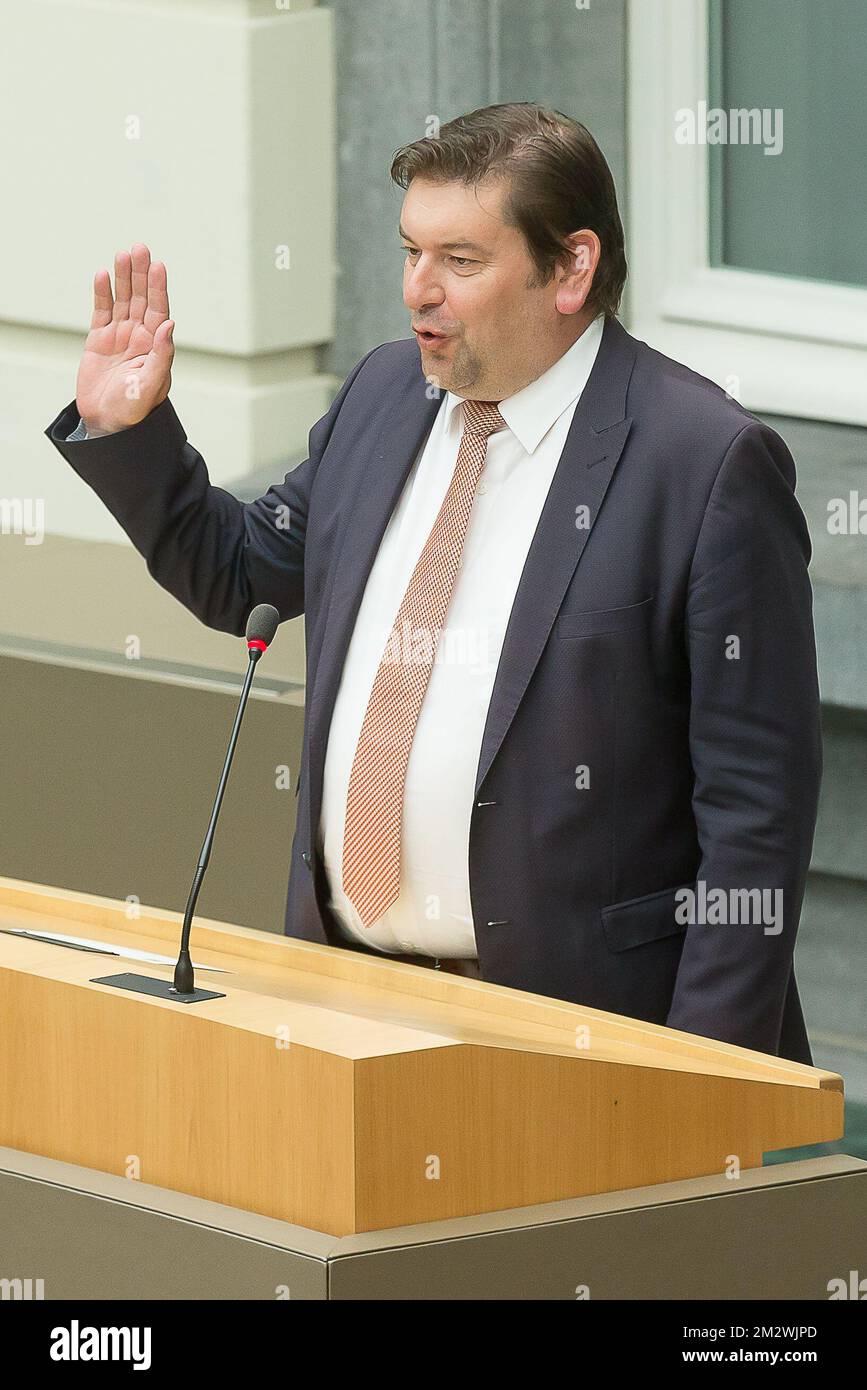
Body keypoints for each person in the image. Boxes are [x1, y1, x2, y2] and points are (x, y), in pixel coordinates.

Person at [45, 103, 822, 1062]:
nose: (419, 291)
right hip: (346, 1012)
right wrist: (130, 433)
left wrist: (708, 1080)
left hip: (585, 1042)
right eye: (412, 252)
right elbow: (241, 573)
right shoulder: (384, 394)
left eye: (460, 261)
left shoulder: (702, 463)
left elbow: (755, 812)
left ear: (571, 267)